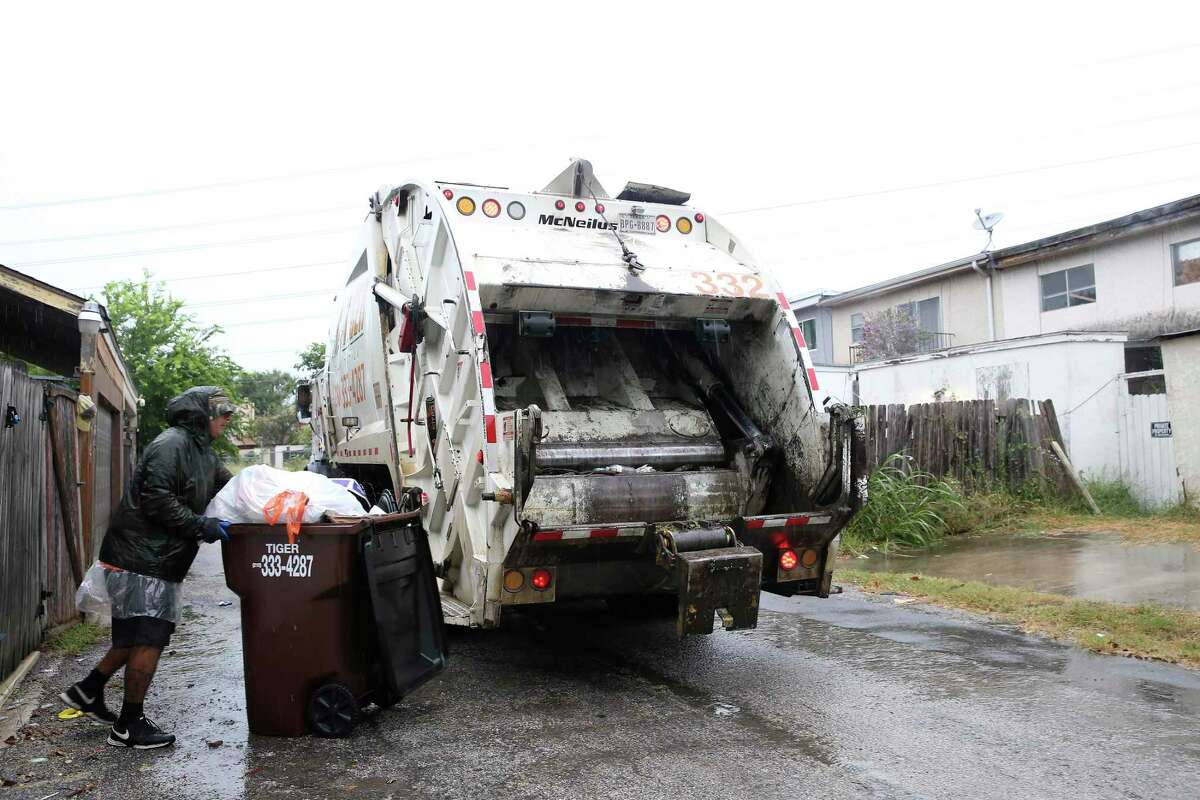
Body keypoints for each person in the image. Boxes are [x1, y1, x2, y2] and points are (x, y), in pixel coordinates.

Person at [60, 386, 235, 749]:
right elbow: (156, 499)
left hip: (153, 561)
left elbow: (232, 488)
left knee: (133, 637)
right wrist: (201, 525)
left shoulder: (204, 453)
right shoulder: (171, 445)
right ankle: (129, 726)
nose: (228, 418)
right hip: (141, 559)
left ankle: (87, 691)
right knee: (149, 638)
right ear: (201, 415)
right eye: (222, 412)